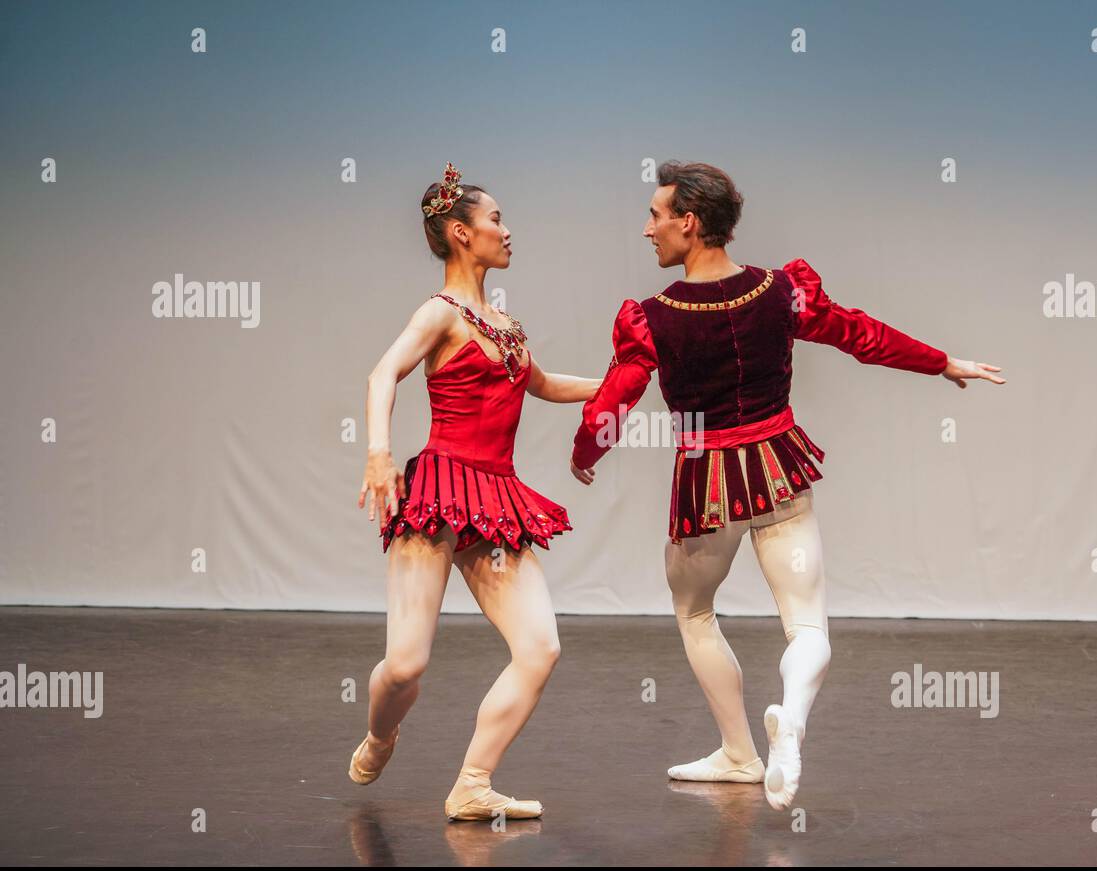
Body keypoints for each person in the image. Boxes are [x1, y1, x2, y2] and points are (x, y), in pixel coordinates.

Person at [570, 161, 1005, 810]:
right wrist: (942, 362)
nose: (647, 229)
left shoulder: (652, 317)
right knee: (807, 626)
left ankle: (741, 752)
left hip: (709, 485)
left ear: (689, 223)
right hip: (779, 471)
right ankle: (792, 723)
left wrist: (586, 452)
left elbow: (615, 401)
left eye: (656, 215)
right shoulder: (780, 291)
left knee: (694, 612)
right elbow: (862, 335)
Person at [354, 162, 600, 821]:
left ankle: (472, 782)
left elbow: (542, 385)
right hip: (438, 492)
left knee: (540, 646)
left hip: (495, 500)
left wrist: (617, 387)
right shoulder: (439, 312)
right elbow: (384, 373)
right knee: (405, 667)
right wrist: (379, 454)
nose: (507, 230)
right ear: (462, 233)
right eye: (496, 220)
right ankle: (381, 732)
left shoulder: (507, 324)